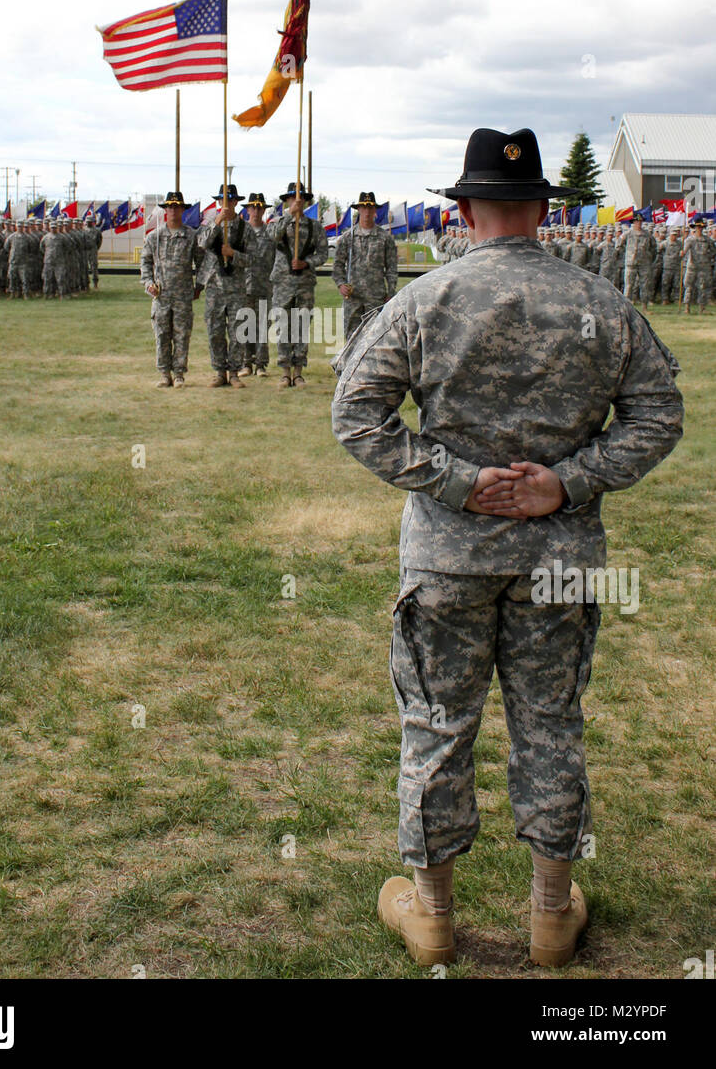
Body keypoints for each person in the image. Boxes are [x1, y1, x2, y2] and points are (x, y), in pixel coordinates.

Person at [331, 127, 683, 969]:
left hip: (449, 560)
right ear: (538, 209)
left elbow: (357, 416)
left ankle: (434, 916)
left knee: (437, 725)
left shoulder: (425, 299)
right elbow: (658, 416)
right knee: (550, 724)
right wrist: (565, 482)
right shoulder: (598, 301)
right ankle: (550, 918)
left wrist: (454, 480)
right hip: (555, 558)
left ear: (467, 208)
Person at [140, 191, 204, 387]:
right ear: (165, 210)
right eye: (170, 206)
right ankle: (164, 374)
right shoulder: (155, 237)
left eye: (177, 207)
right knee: (162, 335)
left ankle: (179, 374)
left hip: (183, 296)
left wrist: (199, 287)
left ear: (183, 210)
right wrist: (148, 283)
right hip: (161, 295)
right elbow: (145, 261)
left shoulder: (191, 236)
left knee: (182, 335)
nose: (173, 210)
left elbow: (202, 264)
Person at [269, 181, 328, 387]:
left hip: (304, 283)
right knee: (283, 326)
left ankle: (298, 371)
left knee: (301, 326)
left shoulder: (314, 226)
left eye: (300, 198)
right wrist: (288, 216)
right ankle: (285, 372)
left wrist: (307, 262)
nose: (297, 201)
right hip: (282, 282)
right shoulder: (277, 222)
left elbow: (323, 254)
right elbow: (272, 237)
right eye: (293, 198)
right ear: (287, 201)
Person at [198, 183, 250, 388]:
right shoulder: (210, 223)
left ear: (236, 202)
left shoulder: (245, 229)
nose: (227, 203)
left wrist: (233, 255)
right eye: (223, 200)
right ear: (219, 202)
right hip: (214, 286)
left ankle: (234, 372)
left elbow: (254, 259)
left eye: (231, 200)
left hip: (236, 286)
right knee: (215, 330)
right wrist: (217, 222)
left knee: (237, 332)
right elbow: (202, 244)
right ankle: (220, 372)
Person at [332, 192, 398, 342]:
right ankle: (349, 366)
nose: (367, 212)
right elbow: (337, 266)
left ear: (375, 211)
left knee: (375, 339)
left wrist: (391, 292)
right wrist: (341, 284)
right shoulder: (348, 237)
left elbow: (392, 268)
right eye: (364, 208)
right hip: (353, 297)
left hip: (376, 297)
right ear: (359, 210)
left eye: (370, 208)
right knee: (351, 339)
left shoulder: (385, 238)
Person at [239, 194, 275, 377]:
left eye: (260, 207)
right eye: (253, 207)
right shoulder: (240, 233)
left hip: (264, 286)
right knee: (245, 326)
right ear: (247, 209)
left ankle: (260, 364)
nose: (256, 210)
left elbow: (277, 260)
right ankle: (246, 363)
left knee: (262, 327)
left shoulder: (271, 234)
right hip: (243, 286)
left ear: (264, 210)